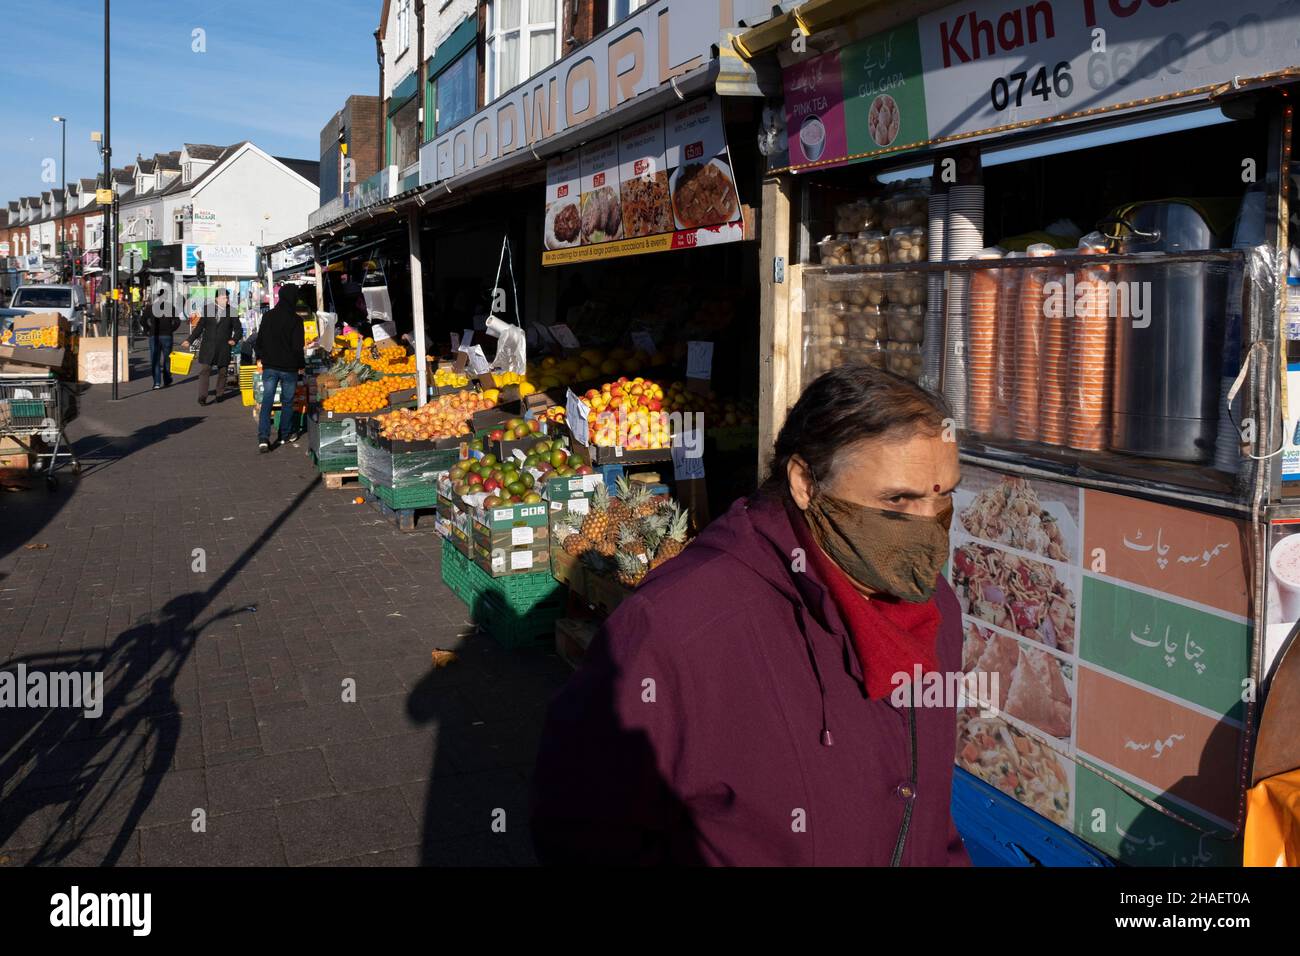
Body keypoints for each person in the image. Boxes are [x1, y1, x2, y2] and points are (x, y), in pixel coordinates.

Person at [531, 364, 969, 866]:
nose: (928, 526)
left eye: (944, 495)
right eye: (897, 499)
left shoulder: (934, 611)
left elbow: (926, 808)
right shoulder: (683, 624)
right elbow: (581, 826)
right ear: (806, 482)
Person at [253, 285, 305, 453]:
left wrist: (261, 356)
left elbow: (259, 340)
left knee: (267, 400)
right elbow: (298, 347)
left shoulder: (268, 316)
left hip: (270, 366)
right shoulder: (296, 320)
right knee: (287, 402)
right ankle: (284, 434)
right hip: (289, 368)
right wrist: (301, 366)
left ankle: (263, 437)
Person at [185, 289, 242, 405]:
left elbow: (238, 329)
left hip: (224, 346)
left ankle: (219, 394)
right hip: (208, 346)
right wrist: (189, 340)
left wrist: (234, 339)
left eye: (227, 298)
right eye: (223, 298)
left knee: (223, 371)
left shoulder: (232, 311)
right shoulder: (208, 309)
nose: (226, 300)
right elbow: (200, 327)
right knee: (205, 370)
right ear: (216, 299)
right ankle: (202, 397)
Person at [144, 281, 181, 389]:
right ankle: (167, 379)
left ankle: (156, 383)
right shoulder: (170, 307)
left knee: (155, 359)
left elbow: (142, 320)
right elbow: (177, 321)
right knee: (167, 358)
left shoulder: (150, 307)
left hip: (154, 336)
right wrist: (171, 329)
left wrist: (147, 329)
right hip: (167, 336)